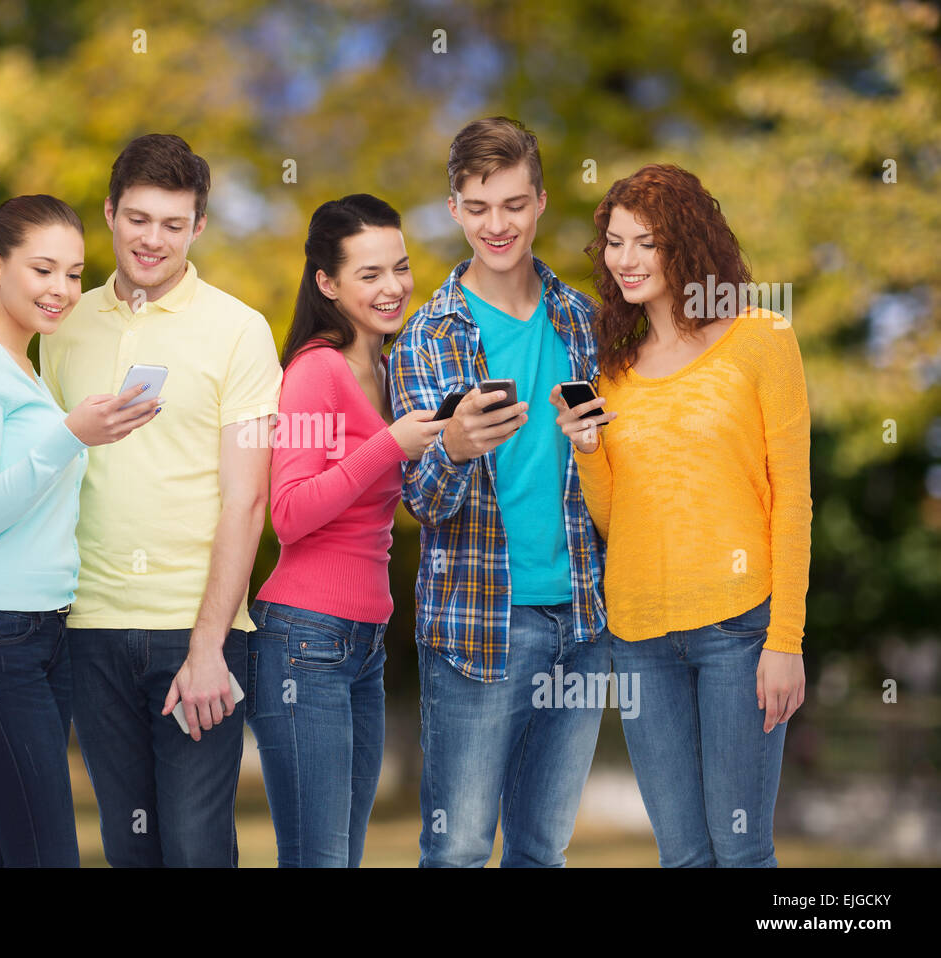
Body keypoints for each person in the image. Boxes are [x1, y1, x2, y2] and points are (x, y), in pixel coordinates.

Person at [557, 162, 810, 867]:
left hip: (738, 629)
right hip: (637, 637)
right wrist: (586, 447)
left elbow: (792, 500)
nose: (625, 259)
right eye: (614, 241)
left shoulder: (761, 338)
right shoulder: (614, 366)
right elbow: (616, 518)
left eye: (647, 242)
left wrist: (784, 639)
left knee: (740, 849)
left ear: (687, 245)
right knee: (684, 857)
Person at [39, 134, 282, 867]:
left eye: (174, 224)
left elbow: (247, 500)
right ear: (110, 213)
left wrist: (209, 646)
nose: (153, 239)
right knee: (128, 846)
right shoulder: (60, 325)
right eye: (138, 218)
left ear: (199, 227)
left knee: (197, 847)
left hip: (195, 632)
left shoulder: (239, 330)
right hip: (89, 627)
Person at [389, 116, 611, 867]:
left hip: (583, 621)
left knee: (543, 849)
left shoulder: (587, 324)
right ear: (453, 208)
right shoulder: (427, 336)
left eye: (513, 205)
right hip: (479, 625)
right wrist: (451, 447)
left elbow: (618, 467)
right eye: (478, 207)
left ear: (540, 203)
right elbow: (422, 501)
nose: (497, 225)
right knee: (456, 849)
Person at [0, 194, 161, 867]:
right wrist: (68, 436)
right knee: (47, 853)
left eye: (75, 273)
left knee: (5, 851)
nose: (62, 290)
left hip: (40, 633)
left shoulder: (26, 365)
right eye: (44, 270)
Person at [247, 195, 443, 867]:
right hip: (304, 640)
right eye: (369, 274)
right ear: (327, 283)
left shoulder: (389, 368)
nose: (392, 288)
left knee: (339, 857)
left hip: (361, 645)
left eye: (401, 267)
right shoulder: (314, 371)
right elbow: (290, 513)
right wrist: (390, 443)